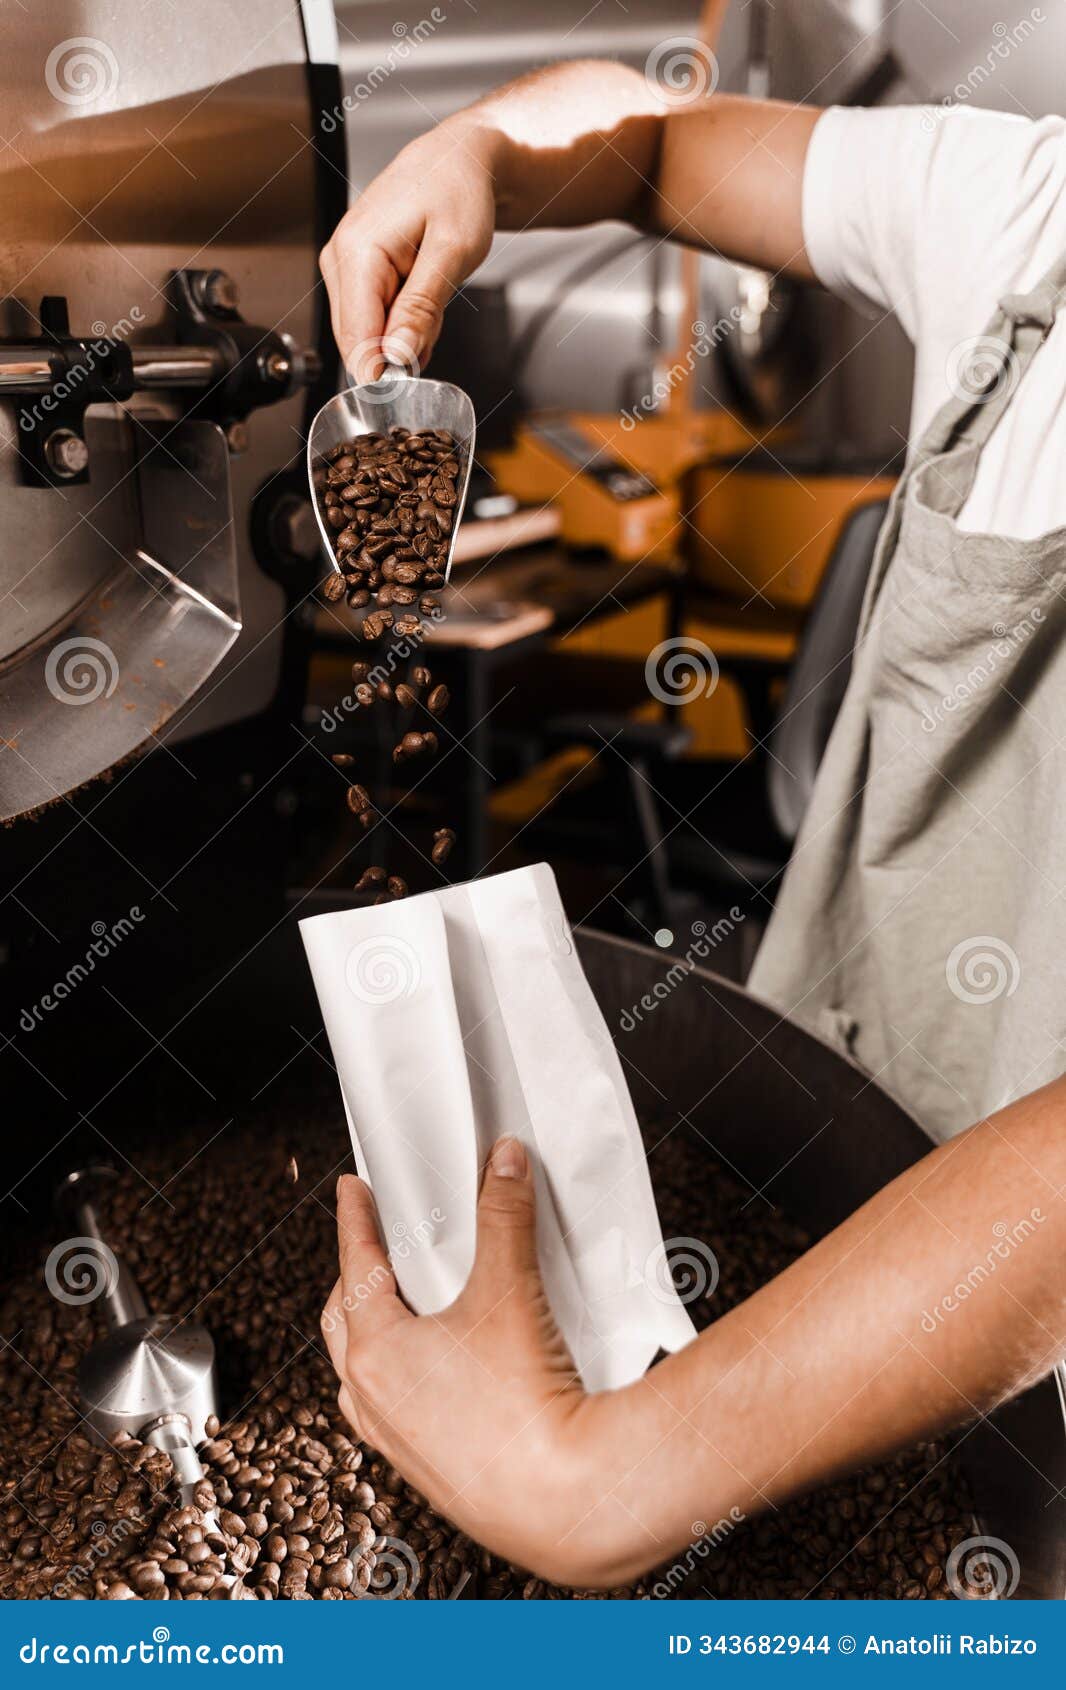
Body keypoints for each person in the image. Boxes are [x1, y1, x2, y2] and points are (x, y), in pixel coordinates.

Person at [319, 60, 1066, 1586]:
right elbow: (655, 142)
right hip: (817, 1172)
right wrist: (483, 155)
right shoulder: (1026, 215)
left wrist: (614, 1475)